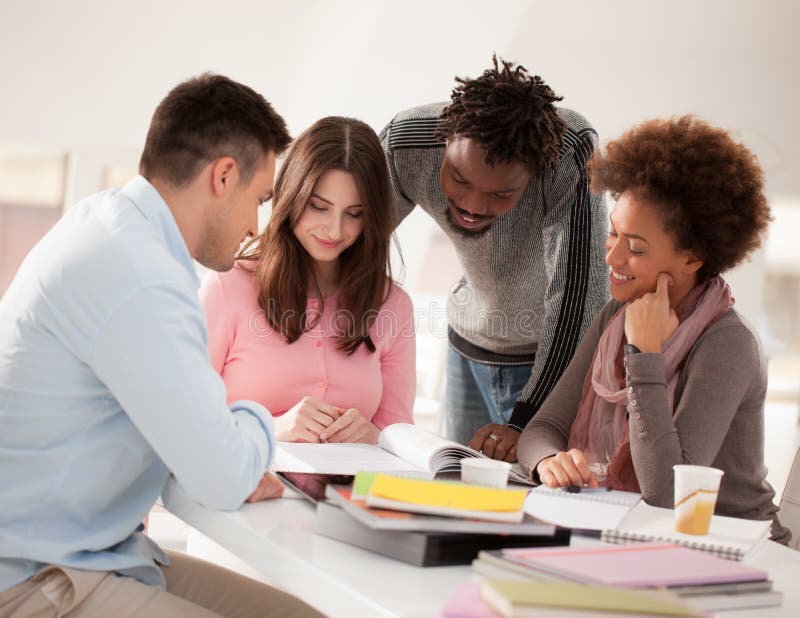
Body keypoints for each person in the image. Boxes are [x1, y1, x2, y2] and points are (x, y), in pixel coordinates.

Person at [0, 74, 324, 616]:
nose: (254, 225)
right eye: (259, 199)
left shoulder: (108, 225)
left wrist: (225, 445)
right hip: (34, 577)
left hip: (95, 552)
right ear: (223, 176)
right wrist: (261, 422)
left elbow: (194, 445)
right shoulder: (140, 275)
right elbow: (220, 475)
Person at [517, 115, 790, 542]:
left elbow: (667, 491)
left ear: (692, 258)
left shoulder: (728, 343)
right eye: (613, 235)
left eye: (636, 247)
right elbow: (541, 428)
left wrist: (644, 357)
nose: (612, 258)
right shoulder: (615, 315)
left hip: (732, 545)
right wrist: (549, 460)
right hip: (640, 532)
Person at [380, 55, 609, 461]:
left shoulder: (570, 156)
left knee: (525, 504)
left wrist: (530, 419)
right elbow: (348, 235)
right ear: (445, 142)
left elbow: (578, 297)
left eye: (500, 194)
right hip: (465, 347)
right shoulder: (407, 141)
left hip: (545, 362)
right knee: (452, 486)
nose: (471, 204)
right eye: (459, 179)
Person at [200, 116, 415, 445]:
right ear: (290, 196)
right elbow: (185, 417)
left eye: (354, 213)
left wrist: (375, 437)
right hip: (251, 489)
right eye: (319, 207)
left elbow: (399, 432)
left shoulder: (393, 305)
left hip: (347, 492)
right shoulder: (228, 287)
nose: (334, 230)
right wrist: (272, 430)